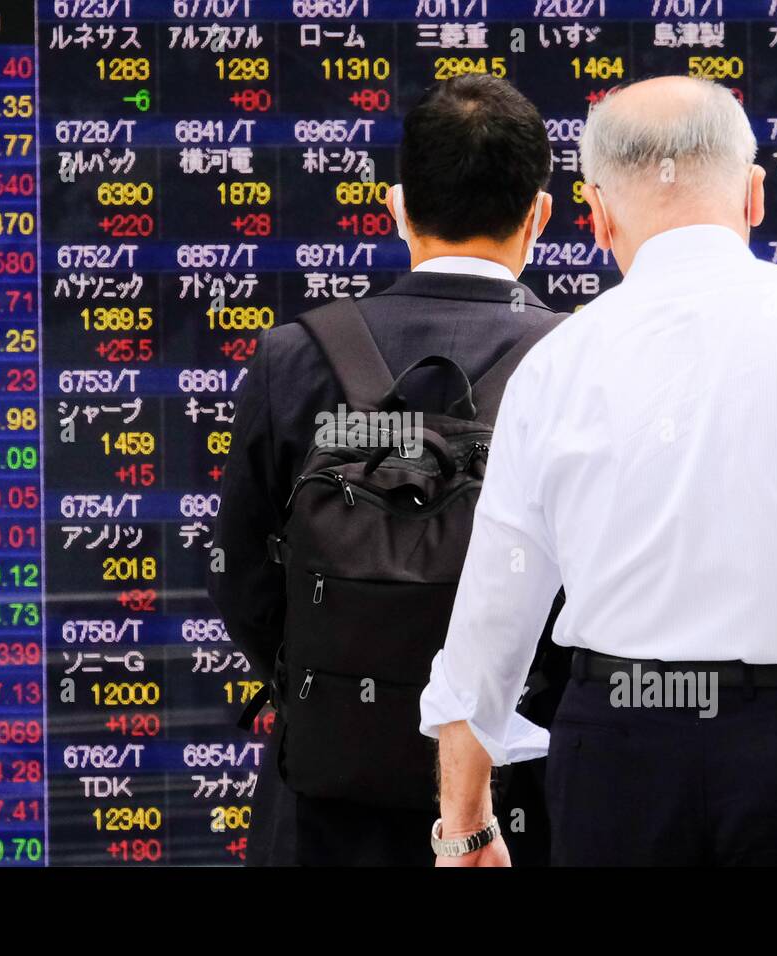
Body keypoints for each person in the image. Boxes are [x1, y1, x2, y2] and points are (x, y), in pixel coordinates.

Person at [420, 75, 777, 867]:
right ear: (755, 195)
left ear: (597, 215)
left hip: (616, 763)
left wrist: (467, 818)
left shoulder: (555, 365)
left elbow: (494, 610)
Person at [209, 74, 563, 866]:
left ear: (397, 205)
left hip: (325, 807)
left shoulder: (293, 356)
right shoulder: (581, 360)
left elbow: (238, 579)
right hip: (518, 810)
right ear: (540, 212)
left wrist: (337, 686)